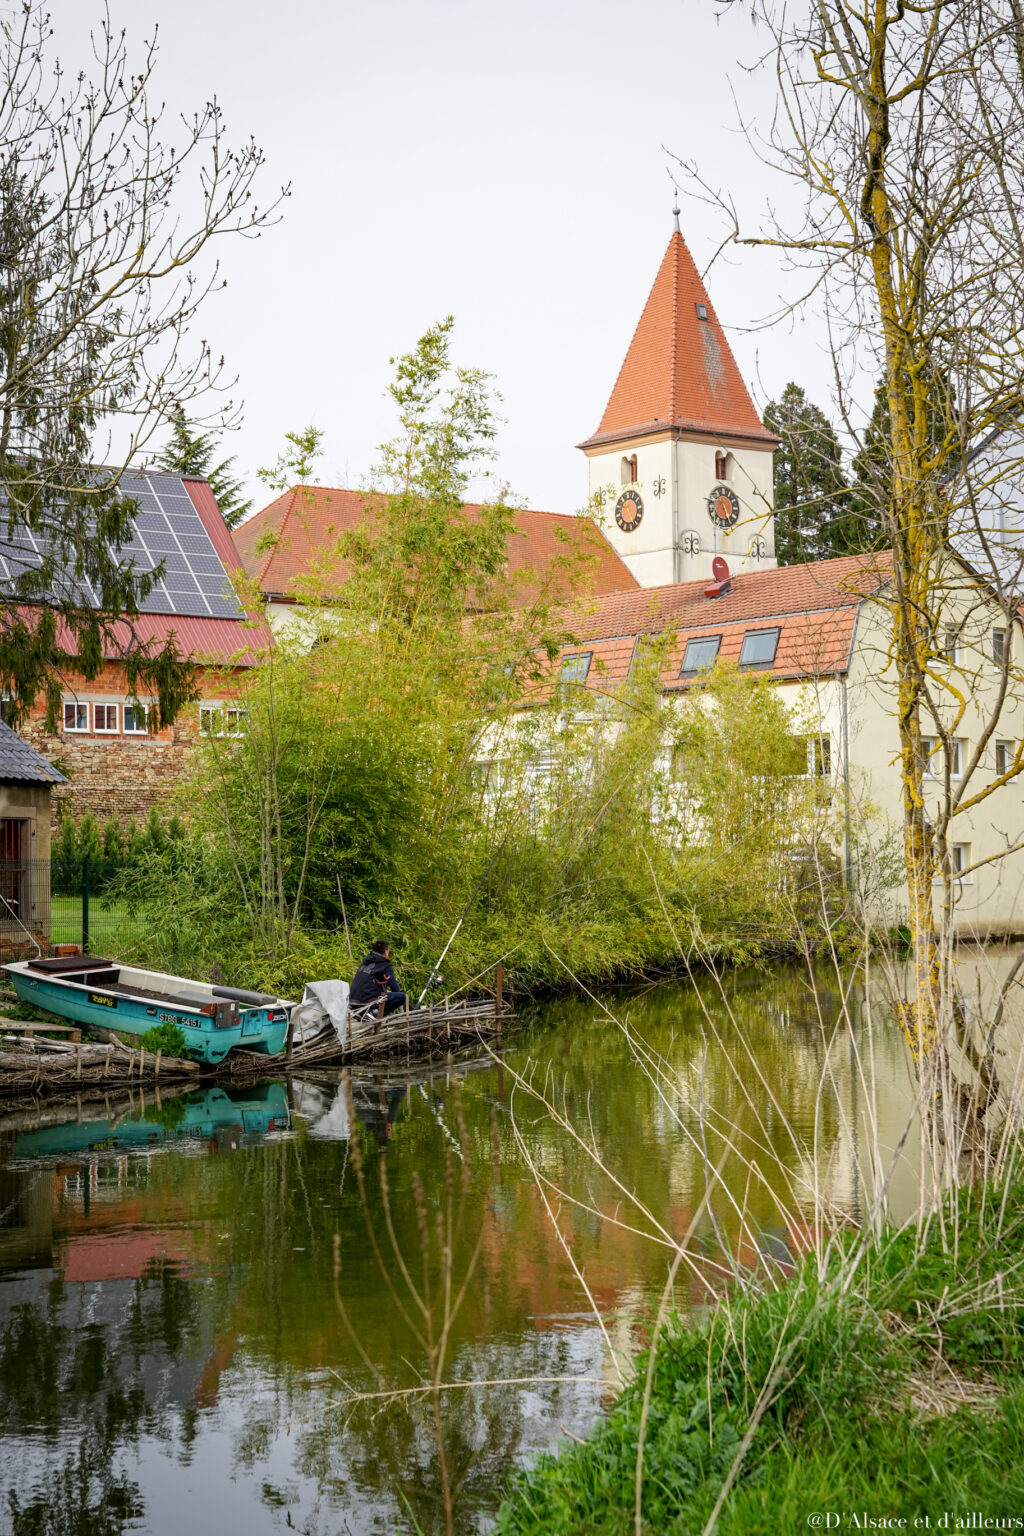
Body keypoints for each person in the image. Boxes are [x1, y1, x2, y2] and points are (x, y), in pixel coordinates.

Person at [349, 941, 409, 1017]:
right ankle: (376, 1014)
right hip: (367, 1001)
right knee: (401, 996)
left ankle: (368, 1014)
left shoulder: (365, 961)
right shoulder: (385, 964)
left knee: (384, 994)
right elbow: (396, 988)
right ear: (386, 952)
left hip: (353, 1000)